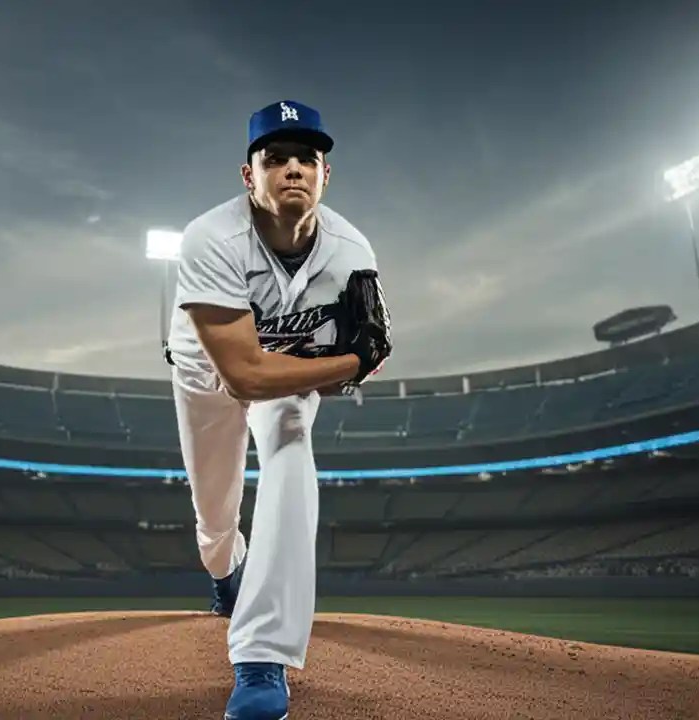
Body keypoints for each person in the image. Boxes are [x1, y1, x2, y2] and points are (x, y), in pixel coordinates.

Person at [164, 100, 388, 720]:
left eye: (307, 158)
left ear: (325, 175)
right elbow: (241, 374)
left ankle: (262, 655)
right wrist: (354, 364)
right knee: (215, 520)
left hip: (287, 378)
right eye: (275, 157)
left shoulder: (351, 251)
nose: (293, 168)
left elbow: (297, 368)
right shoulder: (211, 237)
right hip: (207, 374)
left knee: (292, 450)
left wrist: (350, 358)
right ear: (249, 174)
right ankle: (225, 571)